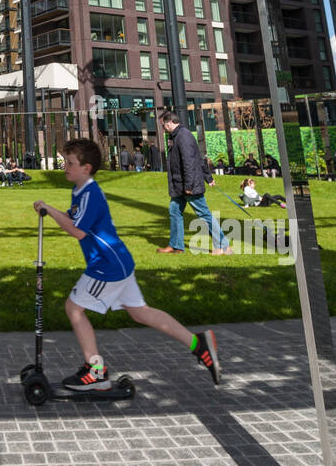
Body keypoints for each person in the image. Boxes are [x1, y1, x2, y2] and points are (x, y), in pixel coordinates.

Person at [33, 138, 221, 389]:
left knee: (74, 309)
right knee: (140, 312)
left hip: (106, 265)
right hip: (117, 262)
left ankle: (96, 372)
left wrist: (50, 211)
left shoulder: (90, 192)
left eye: (70, 163)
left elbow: (78, 231)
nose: (65, 167)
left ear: (86, 168)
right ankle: (199, 344)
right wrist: (50, 209)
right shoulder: (79, 190)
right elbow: (74, 217)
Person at [156, 111, 232, 255]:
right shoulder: (178, 136)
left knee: (204, 214)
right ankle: (176, 246)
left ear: (170, 122)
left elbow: (190, 163)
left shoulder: (183, 136)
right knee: (174, 211)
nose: (163, 129)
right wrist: (208, 177)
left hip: (188, 186)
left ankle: (223, 247)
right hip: (180, 185)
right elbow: (198, 159)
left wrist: (189, 186)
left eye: (163, 125)